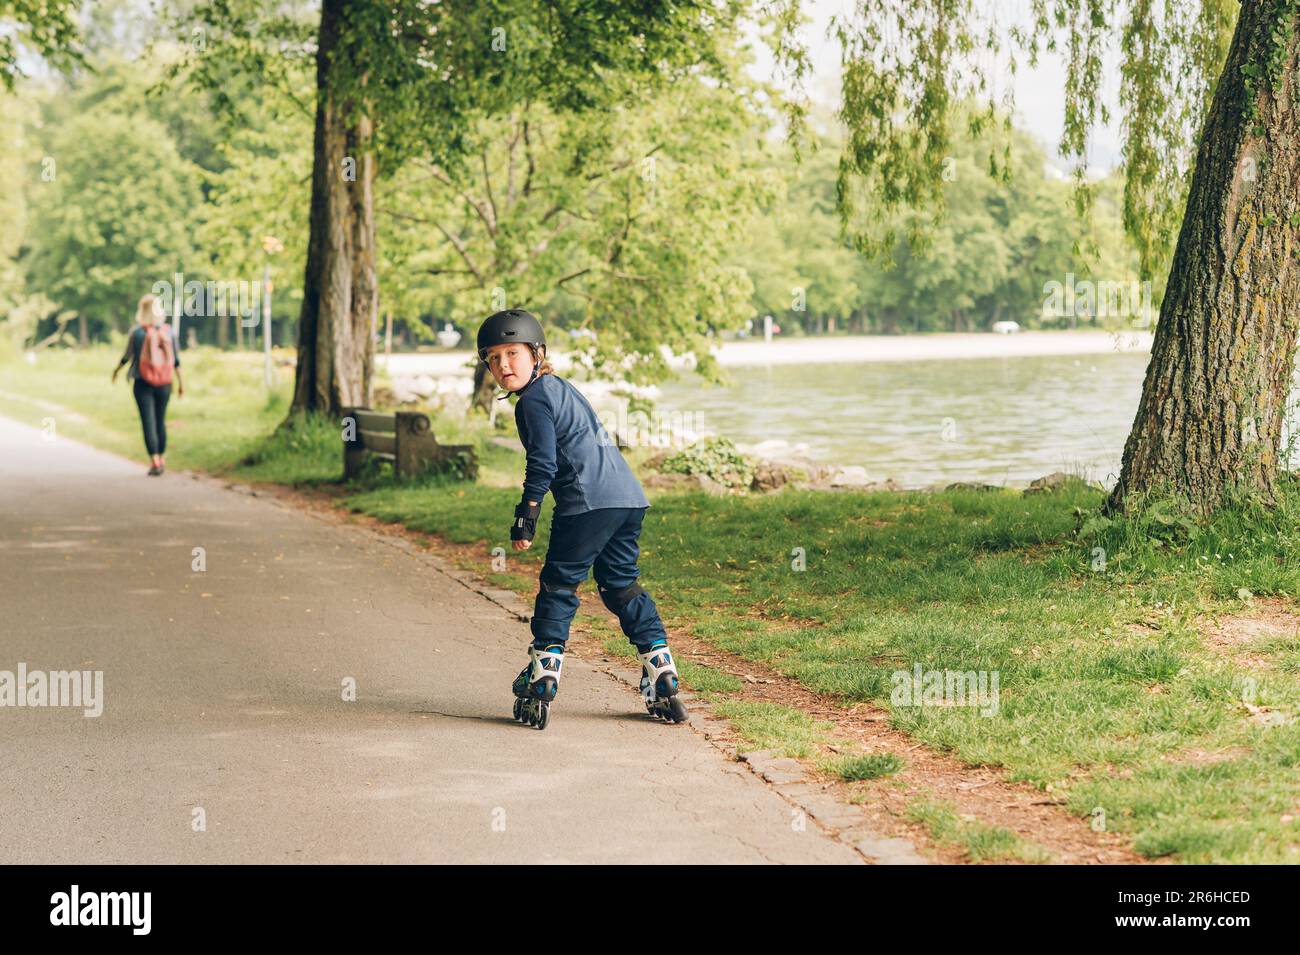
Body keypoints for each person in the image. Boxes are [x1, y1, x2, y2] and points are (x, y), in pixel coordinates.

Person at [477, 308, 688, 730]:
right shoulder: (558, 387)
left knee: (559, 585)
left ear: (536, 353)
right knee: (621, 585)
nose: (503, 365)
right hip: (627, 499)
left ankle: (543, 676)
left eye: (512, 354)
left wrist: (527, 514)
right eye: (494, 358)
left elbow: (543, 462)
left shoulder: (532, 402)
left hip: (586, 504)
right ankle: (660, 667)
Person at [112, 294, 183, 476]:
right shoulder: (168, 332)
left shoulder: (137, 333)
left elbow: (127, 357)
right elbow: (176, 361)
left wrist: (116, 371)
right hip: (165, 383)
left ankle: (155, 461)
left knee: (148, 422)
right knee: (161, 420)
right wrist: (181, 383)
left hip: (142, 382)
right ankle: (162, 457)